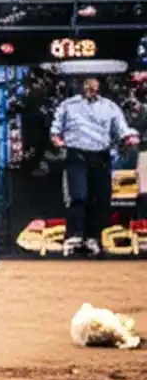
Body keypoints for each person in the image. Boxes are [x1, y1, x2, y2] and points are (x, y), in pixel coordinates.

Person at [50, 77, 140, 257]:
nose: (90, 87)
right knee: (79, 196)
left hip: (101, 155)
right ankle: (75, 235)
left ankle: (93, 237)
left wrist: (128, 137)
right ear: (81, 86)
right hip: (77, 154)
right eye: (86, 84)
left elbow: (121, 128)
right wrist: (57, 139)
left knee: (99, 198)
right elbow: (55, 129)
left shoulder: (109, 106)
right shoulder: (68, 105)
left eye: (93, 84)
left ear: (99, 87)